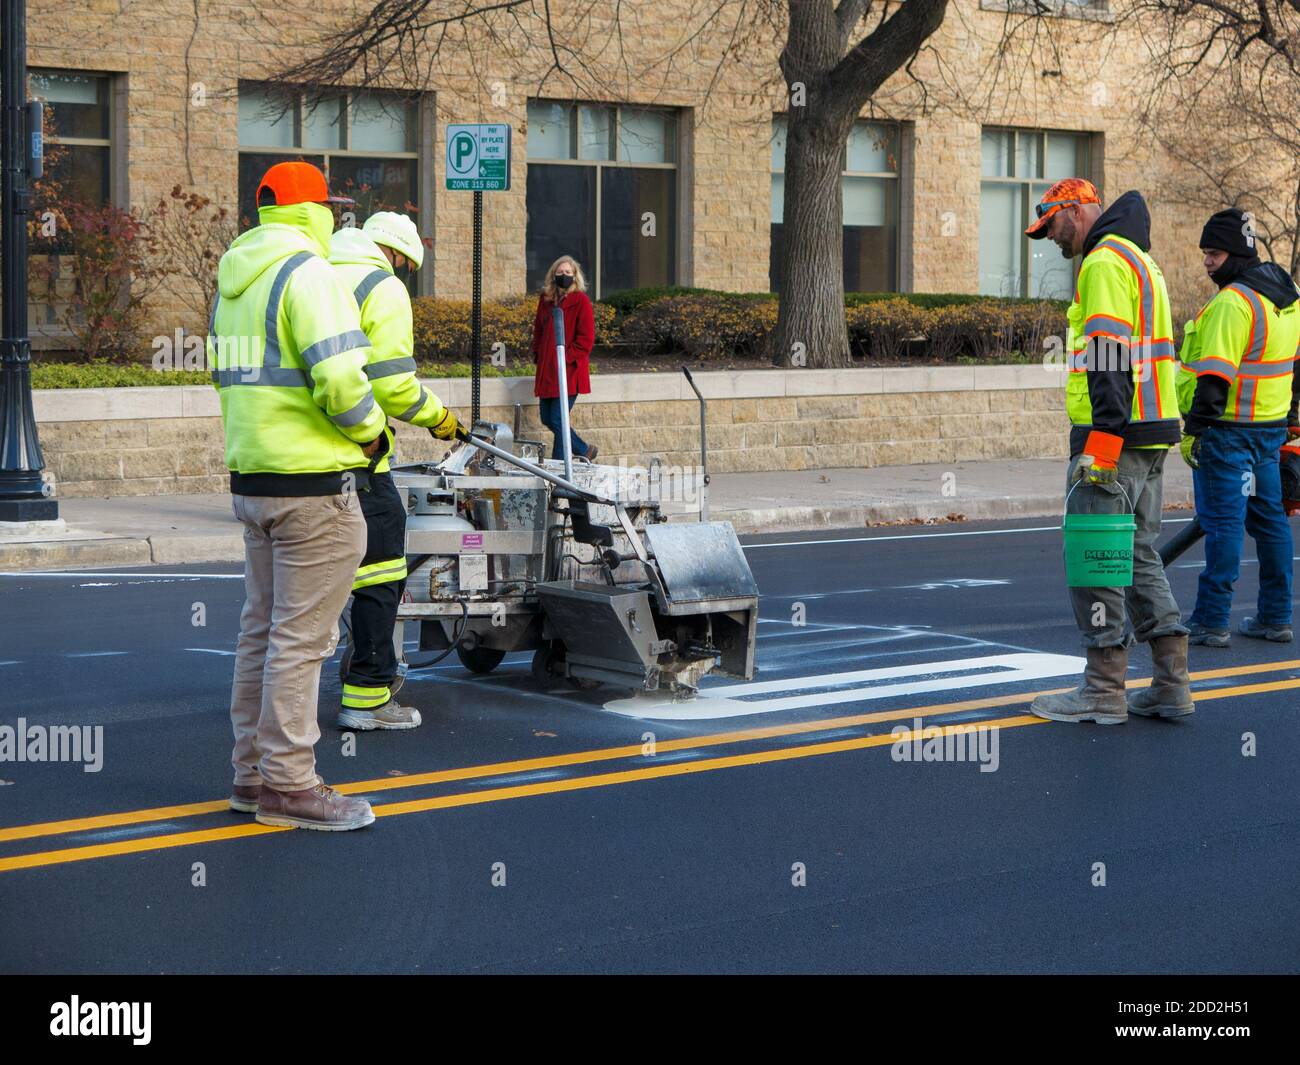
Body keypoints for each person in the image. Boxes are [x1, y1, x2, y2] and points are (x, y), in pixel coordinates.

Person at [209, 161, 386, 831]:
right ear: (310, 212)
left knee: (262, 631)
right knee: (300, 641)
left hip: (255, 484)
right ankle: (289, 783)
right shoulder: (310, 275)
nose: (338, 219)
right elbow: (342, 382)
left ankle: (251, 774)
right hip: (314, 489)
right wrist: (372, 434)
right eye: (332, 208)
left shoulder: (234, 281)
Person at [1022, 178, 1192, 724]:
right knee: (1139, 555)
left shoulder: (1102, 264)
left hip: (1115, 435)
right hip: (1152, 429)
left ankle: (1102, 688)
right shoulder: (1141, 260)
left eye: (1051, 225)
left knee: (1098, 561)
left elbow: (1108, 356)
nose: (1050, 238)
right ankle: (1170, 684)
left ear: (1075, 210)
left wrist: (1103, 442)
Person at [328, 212, 459, 728]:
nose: (402, 274)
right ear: (396, 255)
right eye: (405, 265)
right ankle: (368, 698)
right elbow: (393, 387)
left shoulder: (315, 270)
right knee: (381, 567)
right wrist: (441, 418)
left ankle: (275, 716)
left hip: (296, 461)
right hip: (356, 456)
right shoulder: (380, 285)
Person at [1175, 207, 1300, 647]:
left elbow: (1213, 380)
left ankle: (1210, 620)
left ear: (1235, 253)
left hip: (1227, 431)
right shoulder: (1287, 295)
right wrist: (1291, 419)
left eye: (1213, 253)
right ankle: (1276, 617)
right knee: (1269, 522)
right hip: (1268, 429)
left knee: (1224, 522)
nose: (1207, 261)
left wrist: (1194, 429)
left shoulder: (1233, 302)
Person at [531, 255, 597, 462]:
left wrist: (565, 357)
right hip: (548, 371)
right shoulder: (546, 300)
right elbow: (539, 330)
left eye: (568, 272)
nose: (564, 276)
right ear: (553, 275)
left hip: (569, 371)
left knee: (559, 419)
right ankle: (583, 449)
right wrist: (538, 354)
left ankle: (560, 464)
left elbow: (586, 339)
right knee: (548, 418)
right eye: (560, 272)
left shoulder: (581, 301)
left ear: (575, 276)